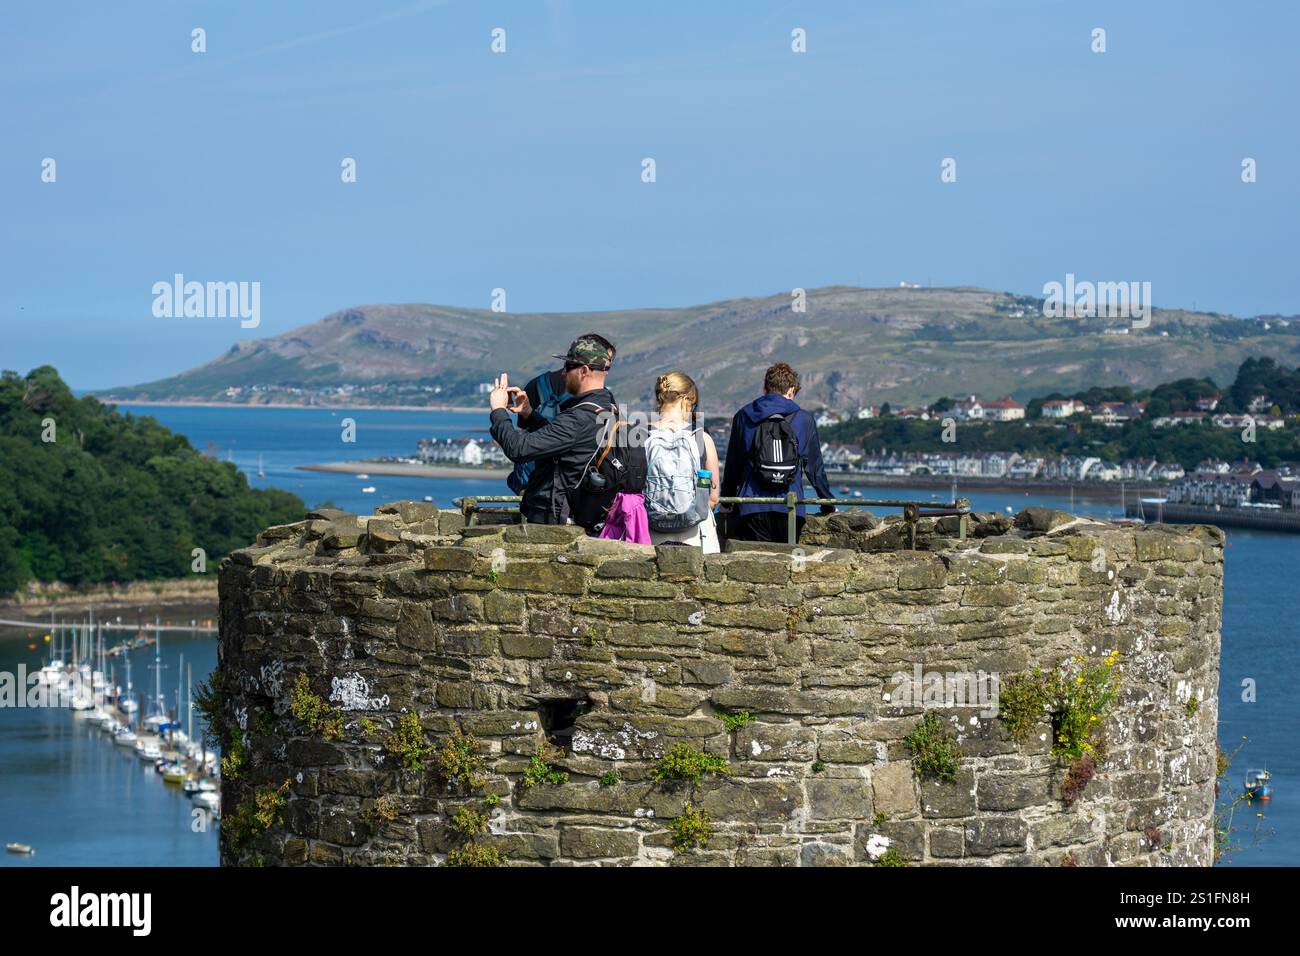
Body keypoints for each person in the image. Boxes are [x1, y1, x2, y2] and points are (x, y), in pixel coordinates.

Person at [488, 334, 616, 525]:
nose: (563, 373)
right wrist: (530, 415)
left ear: (583, 371)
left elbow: (518, 449)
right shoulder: (606, 408)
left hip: (556, 519)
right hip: (578, 512)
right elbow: (563, 442)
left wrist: (498, 410)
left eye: (568, 366)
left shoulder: (579, 418)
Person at [719, 362, 835, 543]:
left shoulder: (743, 416)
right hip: (790, 506)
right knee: (788, 564)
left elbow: (734, 463)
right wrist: (827, 503)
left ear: (765, 388)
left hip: (752, 505)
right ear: (791, 390)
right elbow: (813, 467)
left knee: (754, 564)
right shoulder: (804, 419)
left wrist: (726, 501)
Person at [642, 371, 721, 553]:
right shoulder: (702, 437)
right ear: (686, 400)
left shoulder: (641, 436)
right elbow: (713, 496)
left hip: (652, 530)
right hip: (697, 531)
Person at [505, 368, 571, 495]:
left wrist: (499, 411)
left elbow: (521, 442)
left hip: (535, 487)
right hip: (573, 488)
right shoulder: (601, 400)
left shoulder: (536, 385)